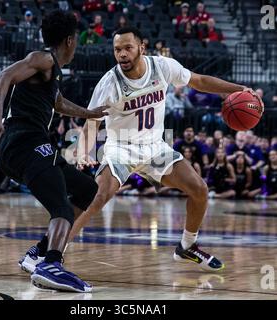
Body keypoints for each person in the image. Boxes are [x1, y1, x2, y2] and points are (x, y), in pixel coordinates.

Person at [69, 27, 262, 271]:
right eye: (117, 50)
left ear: (142, 47)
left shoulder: (162, 66)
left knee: (199, 189)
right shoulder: (109, 82)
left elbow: (199, 81)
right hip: (121, 147)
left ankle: (187, 246)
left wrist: (238, 90)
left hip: (155, 147)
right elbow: (91, 122)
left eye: (128, 48)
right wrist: (84, 152)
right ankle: (51, 252)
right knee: (97, 196)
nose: (122, 54)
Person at [0, 10, 108, 292]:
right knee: (61, 208)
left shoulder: (52, 72)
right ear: (70, 41)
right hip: (23, 141)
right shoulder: (43, 58)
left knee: (87, 189)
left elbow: (59, 103)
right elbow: (2, 77)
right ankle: (51, 265)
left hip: (29, 146)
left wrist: (90, 113)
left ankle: (38, 254)